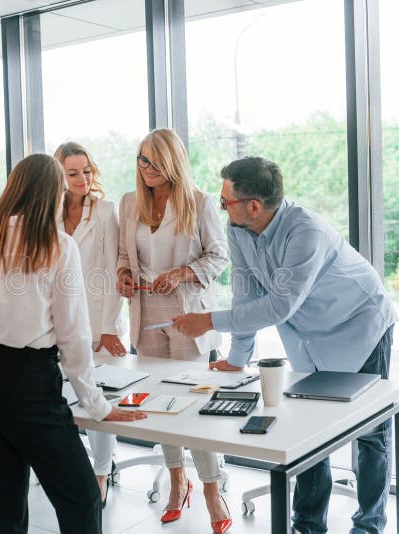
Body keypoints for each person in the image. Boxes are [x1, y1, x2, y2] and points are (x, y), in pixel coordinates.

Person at [172, 156, 398, 534]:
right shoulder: (239, 228)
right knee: (308, 433)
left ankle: (369, 524)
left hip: (360, 326)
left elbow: (278, 305)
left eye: (226, 199)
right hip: (309, 337)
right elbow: (246, 293)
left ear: (254, 206)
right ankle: (307, 526)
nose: (222, 205)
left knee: (371, 435)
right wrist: (237, 356)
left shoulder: (304, 231)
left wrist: (208, 321)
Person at [0, 154, 146, 534]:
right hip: (25, 386)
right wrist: (97, 405)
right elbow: (74, 336)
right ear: (52, 193)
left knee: (4, 504)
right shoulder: (56, 245)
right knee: (82, 498)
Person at [117, 128, 232, 533]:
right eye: (141, 160)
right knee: (160, 403)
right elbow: (121, 255)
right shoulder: (130, 203)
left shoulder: (199, 202)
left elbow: (220, 255)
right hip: (145, 308)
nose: (146, 168)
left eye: (154, 161)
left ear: (173, 162)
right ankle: (177, 480)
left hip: (187, 310)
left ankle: (211, 488)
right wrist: (123, 276)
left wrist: (184, 273)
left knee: (194, 406)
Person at [54, 142, 127, 506]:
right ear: (59, 176)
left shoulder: (105, 211)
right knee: (68, 400)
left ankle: (100, 473)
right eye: (72, 173)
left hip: (100, 321)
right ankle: (77, 468)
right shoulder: (47, 214)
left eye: (86, 171)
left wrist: (110, 326)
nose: (82, 179)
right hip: (58, 323)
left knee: (98, 399)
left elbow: (117, 268)